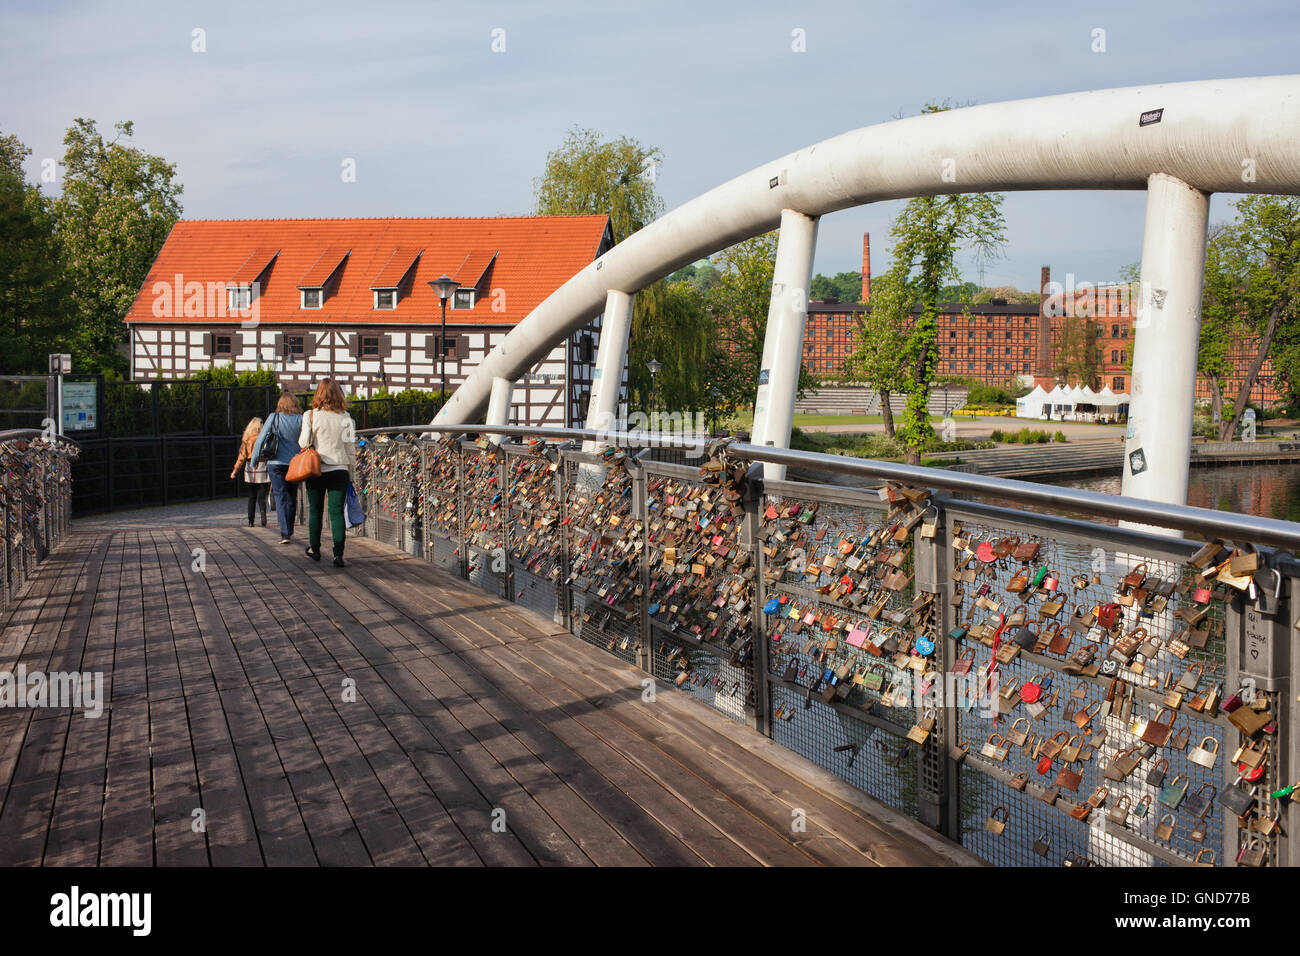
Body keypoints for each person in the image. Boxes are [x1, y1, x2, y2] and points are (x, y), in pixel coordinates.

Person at [299, 379, 357, 567]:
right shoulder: (347, 417)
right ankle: (338, 554)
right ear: (338, 394)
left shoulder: (311, 415)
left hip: (316, 468)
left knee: (315, 511)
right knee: (337, 513)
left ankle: (315, 549)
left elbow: (303, 443)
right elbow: (350, 448)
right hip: (340, 468)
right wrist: (352, 474)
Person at [253, 394, 304, 544]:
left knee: (280, 496)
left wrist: (255, 459)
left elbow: (261, 438)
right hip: (294, 463)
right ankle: (289, 528)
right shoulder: (301, 419)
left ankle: (285, 533)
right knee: (292, 496)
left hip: (275, 463)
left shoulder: (274, 417)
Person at [231, 416, 271, 527]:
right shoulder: (265, 438)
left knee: (251, 496)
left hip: (250, 468)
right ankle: (263, 514)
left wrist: (235, 470)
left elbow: (241, 457)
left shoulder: (246, 439)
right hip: (263, 467)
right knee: (262, 495)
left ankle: (250, 521)